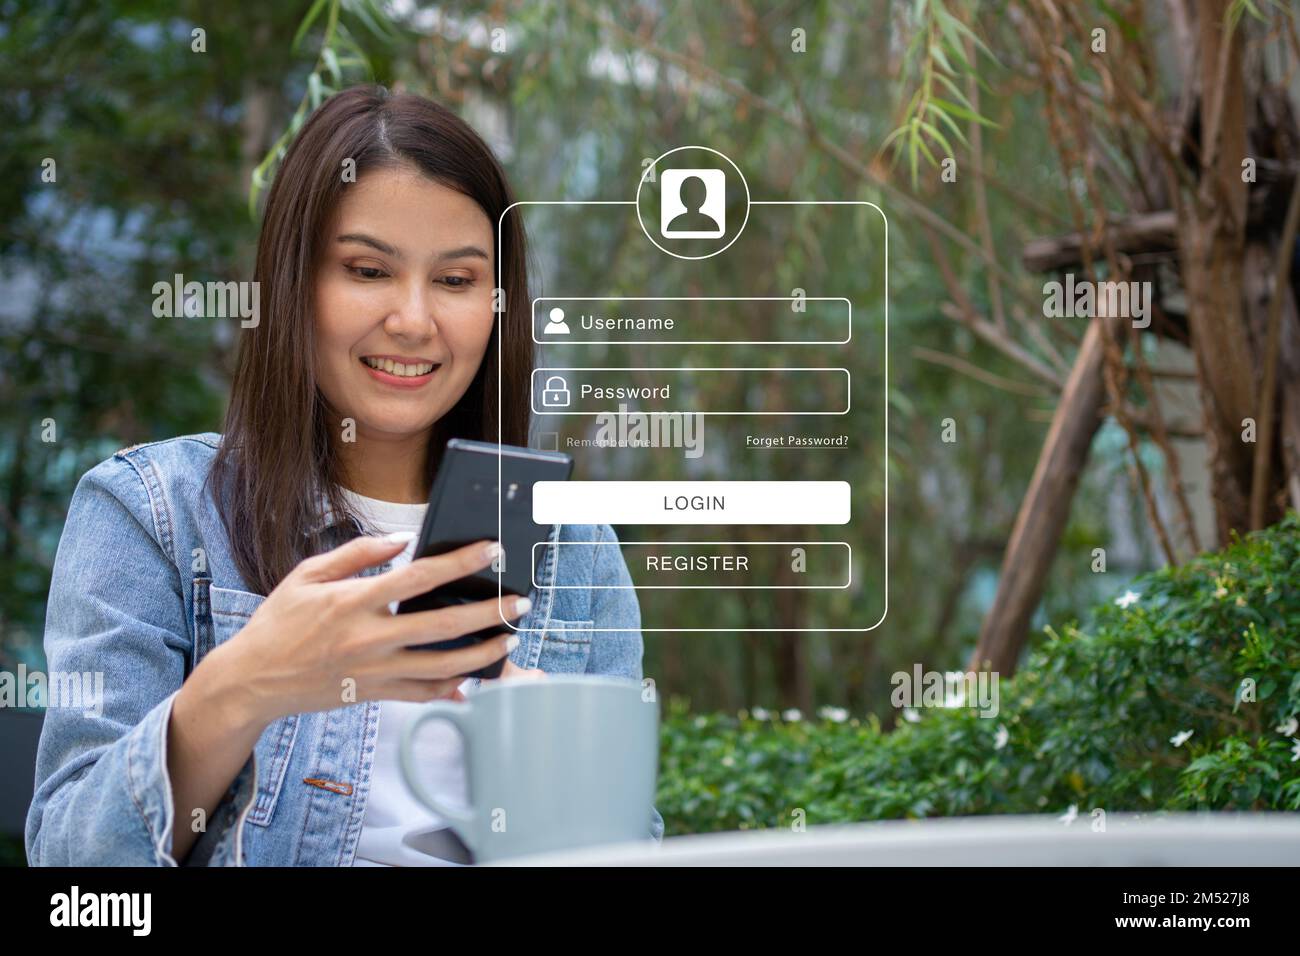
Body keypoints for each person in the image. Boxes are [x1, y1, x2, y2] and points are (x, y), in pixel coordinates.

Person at [25, 85, 663, 866]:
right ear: (295, 282)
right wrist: (248, 684)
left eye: (457, 281)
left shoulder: (573, 548)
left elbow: (630, 850)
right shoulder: (151, 513)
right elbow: (71, 870)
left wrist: (566, 790)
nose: (413, 319)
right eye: (368, 270)